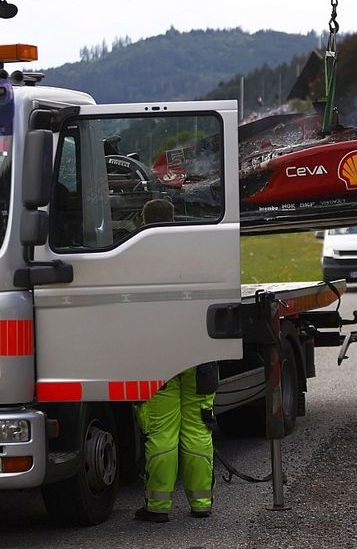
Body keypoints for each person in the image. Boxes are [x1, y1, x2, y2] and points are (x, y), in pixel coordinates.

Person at [134, 198, 217, 523]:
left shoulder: (136, 254)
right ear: (174, 216)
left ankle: (158, 507)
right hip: (200, 352)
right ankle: (201, 504)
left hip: (160, 357)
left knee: (162, 433)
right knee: (197, 429)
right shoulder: (196, 250)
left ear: (143, 218)